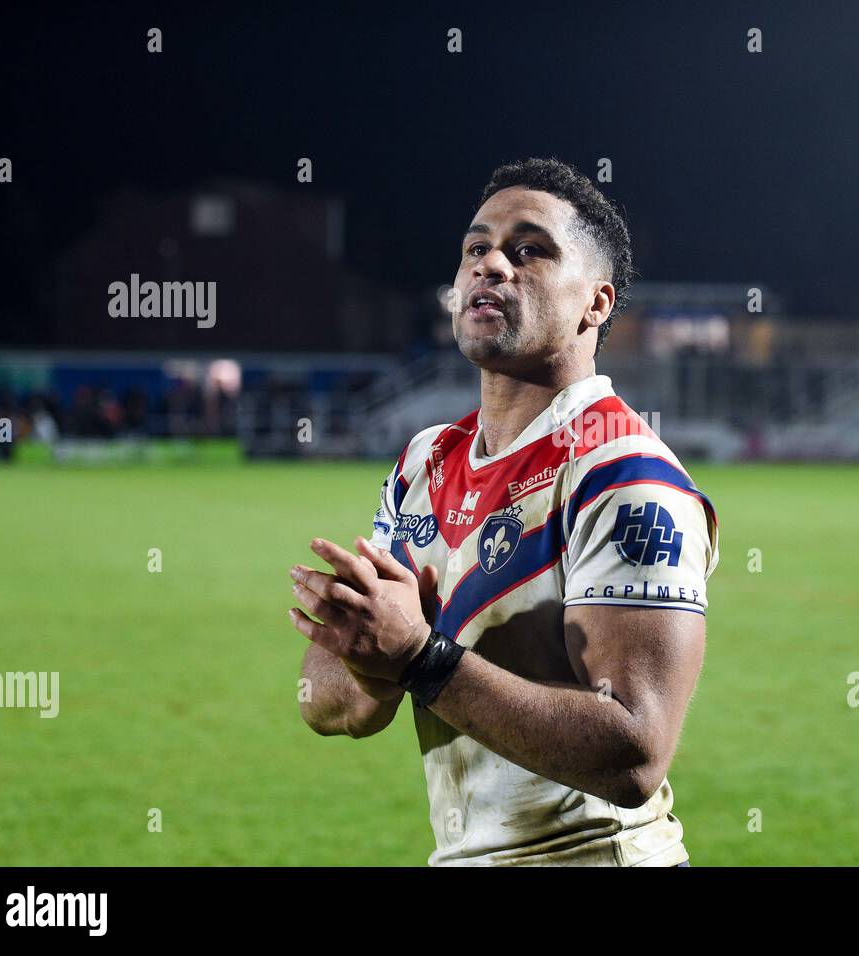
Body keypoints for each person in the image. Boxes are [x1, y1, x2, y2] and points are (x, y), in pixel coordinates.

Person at [289, 158, 718, 866]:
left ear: (597, 303)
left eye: (530, 250)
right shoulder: (425, 460)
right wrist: (373, 661)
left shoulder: (624, 473)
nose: (490, 263)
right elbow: (327, 702)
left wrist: (418, 659)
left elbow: (635, 754)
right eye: (475, 248)